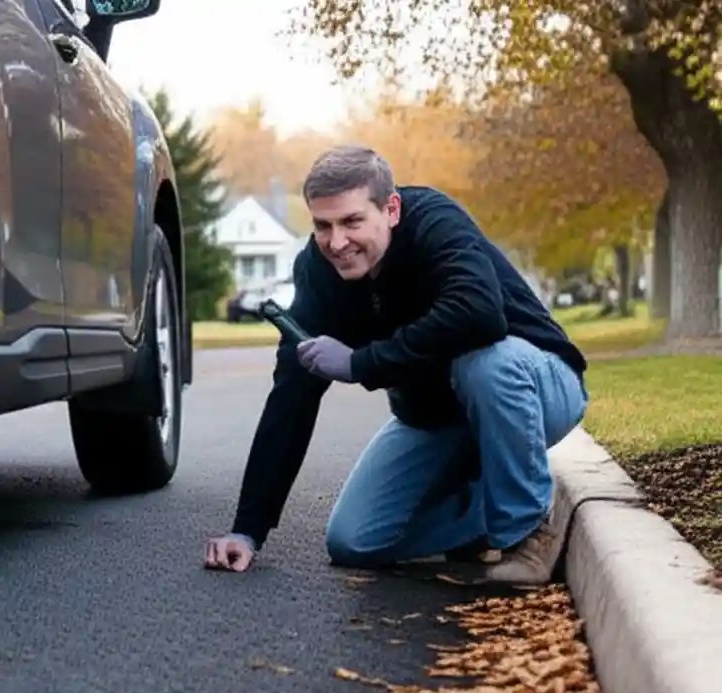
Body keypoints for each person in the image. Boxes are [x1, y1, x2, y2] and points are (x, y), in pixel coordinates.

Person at [203, 145, 588, 585]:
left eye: (351, 222)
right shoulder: (318, 270)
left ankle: (526, 531)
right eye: (322, 226)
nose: (336, 243)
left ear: (391, 209)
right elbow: (292, 395)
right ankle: (491, 510)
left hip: (537, 387)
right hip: (436, 420)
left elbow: (479, 314)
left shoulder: (434, 222)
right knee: (354, 540)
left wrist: (359, 363)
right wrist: (248, 529)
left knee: (485, 364)